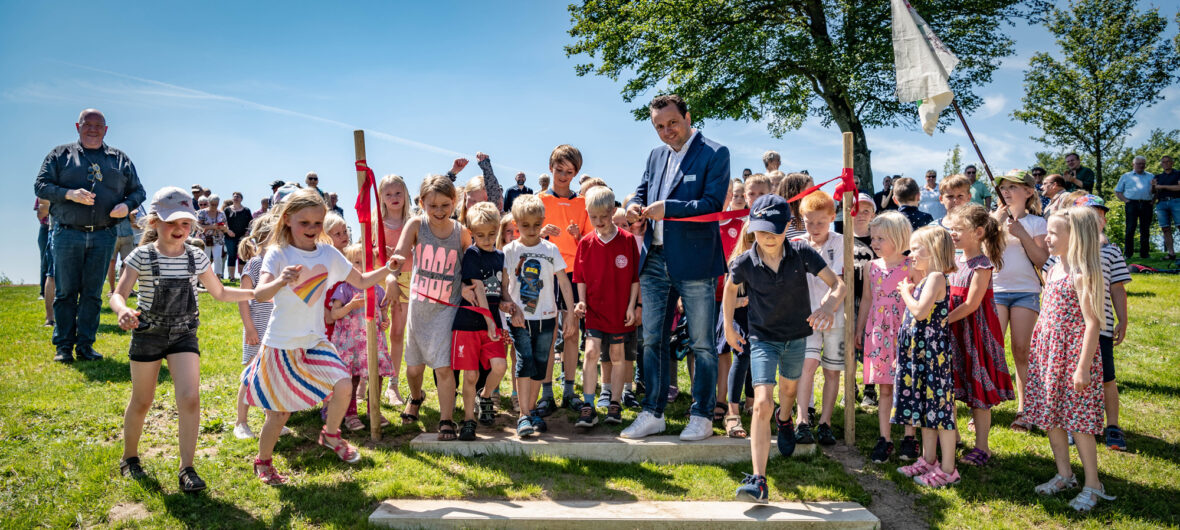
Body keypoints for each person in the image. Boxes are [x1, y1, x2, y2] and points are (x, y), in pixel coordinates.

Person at [242, 188, 396, 485]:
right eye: (305, 223)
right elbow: (259, 294)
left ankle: (331, 434)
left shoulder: (328, 253)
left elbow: (361, 280)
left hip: (314, 341)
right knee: (279, 414)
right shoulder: (278, 253)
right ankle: (263, 461)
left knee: (343, 385)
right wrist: (281, 280)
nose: (312, 229)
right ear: (287, 220)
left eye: (317, 223)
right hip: (281, 344)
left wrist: (388, 269)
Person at [111, 187, 253, 493]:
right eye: (171, 222)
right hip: (148, 333)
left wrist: (256, 292)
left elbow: (220, 292)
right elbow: (118, 294)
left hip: (184, 334)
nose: (179, 228)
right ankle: (130, 457)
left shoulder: (196, 256)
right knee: (142, 400)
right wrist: (123, 311)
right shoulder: (142, 255)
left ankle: (187, 467)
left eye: (185, 223)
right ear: (154, 222)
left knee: (190, 398)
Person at [622, 94, 729, 442]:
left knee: (702, 343)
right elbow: (641, 191)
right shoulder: (655, 155)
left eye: (672, 123)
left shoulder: (715, 153)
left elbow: (712, 204)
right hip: (653, 258)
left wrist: (668, 208)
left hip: (695, 260)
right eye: (659, 126)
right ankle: (653, 413)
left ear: (688, 117)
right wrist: (634, 207)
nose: (667, 131)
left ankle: (702, 415)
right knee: (652, 340)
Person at [726, 194, 845, 503]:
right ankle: (758, 480)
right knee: (762, 402)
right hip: (762, 338)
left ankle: (785, 418)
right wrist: (728, 327)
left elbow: (838, 285)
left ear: (788, 227)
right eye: (762, 230)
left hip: (796, 336)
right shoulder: (744, 261)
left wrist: (829, 306)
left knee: (788, 392)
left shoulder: (802, 252)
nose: (768, 237)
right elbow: (729, 288)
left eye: (775, 231)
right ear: (752, 227)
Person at [34, 108, 146, 363]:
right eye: (87, 124)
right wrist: (69, 194)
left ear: (106, 130)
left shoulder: (120, 159)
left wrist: (126, 205)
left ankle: (85, 345)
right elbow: (40, 185)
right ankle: (63, 346)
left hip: (104, 234)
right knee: (65, 292)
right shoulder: (59, 155)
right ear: (78, 126)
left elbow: (138, 191)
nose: (93, 129)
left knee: (93, 293)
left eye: (98, 125)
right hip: (67, 233)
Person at [1026, 207, 1114, 512]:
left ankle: (1093, 484)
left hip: (1074, 356)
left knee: (1078, 421)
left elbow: (1093, 323)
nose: (1047, 238)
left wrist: (1082, 368)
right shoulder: (1053, 269)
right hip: (1049, 354)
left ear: (1074, 236)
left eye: (1053, 233)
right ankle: (1065, 474)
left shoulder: (1082, 273)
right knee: (1051, 416)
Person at [1042, 194, 1131, 452]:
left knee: (1107, 377)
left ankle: (1112, 425)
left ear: (1103, 221)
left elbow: (1117, 288)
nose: (1093, 220)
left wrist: (1122, 320)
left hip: (1100, 328)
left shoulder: (1110, 251)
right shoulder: (1060, 256)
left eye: (1098, 215)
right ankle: (1071, 423)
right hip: (1067, 334)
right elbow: (1049, 278)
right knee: (1067, 381)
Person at [385, 176, 470, 442]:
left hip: (447, 308)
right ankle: (416, 396)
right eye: (433, 205)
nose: (439, 211)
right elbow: (398, 257)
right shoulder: (416, 225)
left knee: (443, 368)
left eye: (445, 205)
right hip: (419, 307)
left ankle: (446, 419)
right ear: (422, 203)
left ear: (454, 202)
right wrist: (391, 276)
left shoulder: (461, 233)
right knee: (413, 369)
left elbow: (471, 265)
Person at [944, 203, 1014, 466]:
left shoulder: (982, 265)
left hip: (974, 331)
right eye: (951, 229)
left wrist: (943, 322)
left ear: (979, 232)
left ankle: (982, 446)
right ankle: (953, 436)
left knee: (977, 389)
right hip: (953, 329)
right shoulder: (953, 261)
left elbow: (972, 304)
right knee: (948, 383)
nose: (953, 233)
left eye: (959, 229)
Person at [503, 194, 576, 437]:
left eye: (537, 224)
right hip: (520, 319)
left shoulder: (550, 249)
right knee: (524, 362)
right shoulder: (510, 251)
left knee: (540, 365)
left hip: (547, 318)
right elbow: (504, 287)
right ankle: (523, 415)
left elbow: (564, 282)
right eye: (525, 225)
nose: (532, 230)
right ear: (516, 224)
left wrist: (570, 313)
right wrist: (512, 309)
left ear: (543, 221)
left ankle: (532, 409)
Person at [894, 226, 959, 487]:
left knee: (940, 411)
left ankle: (949, 469)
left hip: (933, 356)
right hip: (920, 353)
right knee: (925, 409)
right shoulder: (925, 279)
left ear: (932, 250)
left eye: (915, 248)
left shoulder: (936, 277)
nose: (910, 254)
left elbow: (920, 312)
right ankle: (928, 459)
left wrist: (905, 293)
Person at [573, 186, 640, 427]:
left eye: (603, 216)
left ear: (613, 211)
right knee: (591, 353)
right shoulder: (585, 243)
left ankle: (615, 403)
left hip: (619, 311)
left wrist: (632, 306)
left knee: (617, 356)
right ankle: (588, 405)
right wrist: (581, 301)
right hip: (594, 311)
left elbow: (635, 279)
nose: (599, 221)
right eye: (594, 217)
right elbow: (579, 277)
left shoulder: (627, 241)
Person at [854, 211, 915, 463]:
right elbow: (867, 299)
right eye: (873, 238)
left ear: (899, 237)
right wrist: (859, 328)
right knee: (885, 385)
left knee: (907, 383)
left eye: (880, 238)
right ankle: (885, 438)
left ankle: (910, 437)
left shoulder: (912, 266)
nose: (874, 243)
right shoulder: (871, 267)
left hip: (904, 330)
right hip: (879, 331)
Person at [991, 170, 1049, 432]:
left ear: (1028, 191)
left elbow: (1042, 259)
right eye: (1003, 187)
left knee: (1021, 350)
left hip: (1026, 291)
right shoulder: (992, 219)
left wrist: (1022, 233)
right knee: (992, 349)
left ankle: (1025, 410)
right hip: (994, 290)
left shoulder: (1037, 223)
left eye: (1013, 187)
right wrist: (993, 224)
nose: (1006, 191)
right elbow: (979, 253)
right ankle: (983, 406)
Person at [792, 191, 847, 447]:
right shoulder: (796, 244)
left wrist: (829, 307)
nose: (814, 228)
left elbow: (840, 281)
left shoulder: (841, 242)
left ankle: (825, 422)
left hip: (834, 316)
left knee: (831, 370)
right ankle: (802, 420)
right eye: (809, 222)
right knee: (807, 366)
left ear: (832, 218)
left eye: (820, 222)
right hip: (807, 317)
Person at [451, 203, 509, 440]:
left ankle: (484, 396)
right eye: (480, 235)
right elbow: (479, 289)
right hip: (469, 324)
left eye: (491, 234)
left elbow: (502, 290)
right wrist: (489, 322)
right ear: (472, 233)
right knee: (471, 375)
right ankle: (468, 420)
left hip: (492, 324)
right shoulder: (473, 254)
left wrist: (509, 305)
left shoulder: (501, 256)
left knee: (500, 366)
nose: (486, 239)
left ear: (498, 229)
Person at [327, 243, 392, 431]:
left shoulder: (377, 289)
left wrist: (385, 322)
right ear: (347, 266)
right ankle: (350, 413)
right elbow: (334, 314)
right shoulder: (344, 289)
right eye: (357, 262)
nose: (362, 267)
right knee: (352, 378)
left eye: (366, 262)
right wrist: (350, 306)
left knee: (377, 376)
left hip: (373, 343)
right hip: (352, 345)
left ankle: (374, 410)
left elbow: (383, 312)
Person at [233, 216, 286, 439]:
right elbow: (243, 298)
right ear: (267, 236)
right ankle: (241, 422)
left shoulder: (279, 263)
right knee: (251, 375)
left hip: (275, 330)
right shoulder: (255, 263)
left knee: (272, 375)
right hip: (257, 329)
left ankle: (272, 420)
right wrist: (250, 328)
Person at [378, 174, 413, 407]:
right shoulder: (376, 224)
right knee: (378, 332)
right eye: (388, 194)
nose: (394, 197)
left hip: (408, 280)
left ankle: (393, 383)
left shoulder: (413, 221)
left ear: (406, 194)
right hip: (382, 280)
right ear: (381, 197)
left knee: (398, 333)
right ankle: (368, 382)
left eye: (398, 192)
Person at [1114, 156, 1154, 259]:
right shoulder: (1126, 176)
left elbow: (1156, 190)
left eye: (1143, 164)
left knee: (1145, 229)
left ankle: (1144, 254)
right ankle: (1128, 254)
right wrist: (1126, 201)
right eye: (1139, 163)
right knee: (1130, 228)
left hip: (1146, 204)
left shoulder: (1151, 176)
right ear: (1133, 164)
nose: (1141, 165)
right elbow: (1118, 191)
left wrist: (1153, 201)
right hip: (1132, 204)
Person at [1153, 155, 1180, 261]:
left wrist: (1162, 186)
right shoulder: (1158, 177)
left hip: (1176, 201)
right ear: (1161, 164)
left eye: (1168, 161)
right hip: (1161, 203)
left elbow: (1179, 187)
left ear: (1172, 163)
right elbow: (1154, 191)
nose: (1166, 163)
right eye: (1163, 162)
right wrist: (1153, 186)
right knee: (1165, 228)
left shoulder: (1178, 173)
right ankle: (1171, 253)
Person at [36, 198, 56, 326]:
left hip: (79, 230)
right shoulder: (48, 190)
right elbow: (41, 211)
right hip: (54, 229)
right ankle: (50, 318)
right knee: (51, 272)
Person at [225, 191, 252, 282]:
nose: (236, 198)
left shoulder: (246, 210)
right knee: (231, 256)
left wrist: (248, 232)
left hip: (242, 238)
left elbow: (251, 223)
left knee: (242, 256)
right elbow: (223, 222)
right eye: (234, 196)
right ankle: (232, 278)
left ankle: (242, 277)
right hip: (230, 237)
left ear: (241, 199)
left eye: (238, 196)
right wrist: (228, 231)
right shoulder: (227, 210)